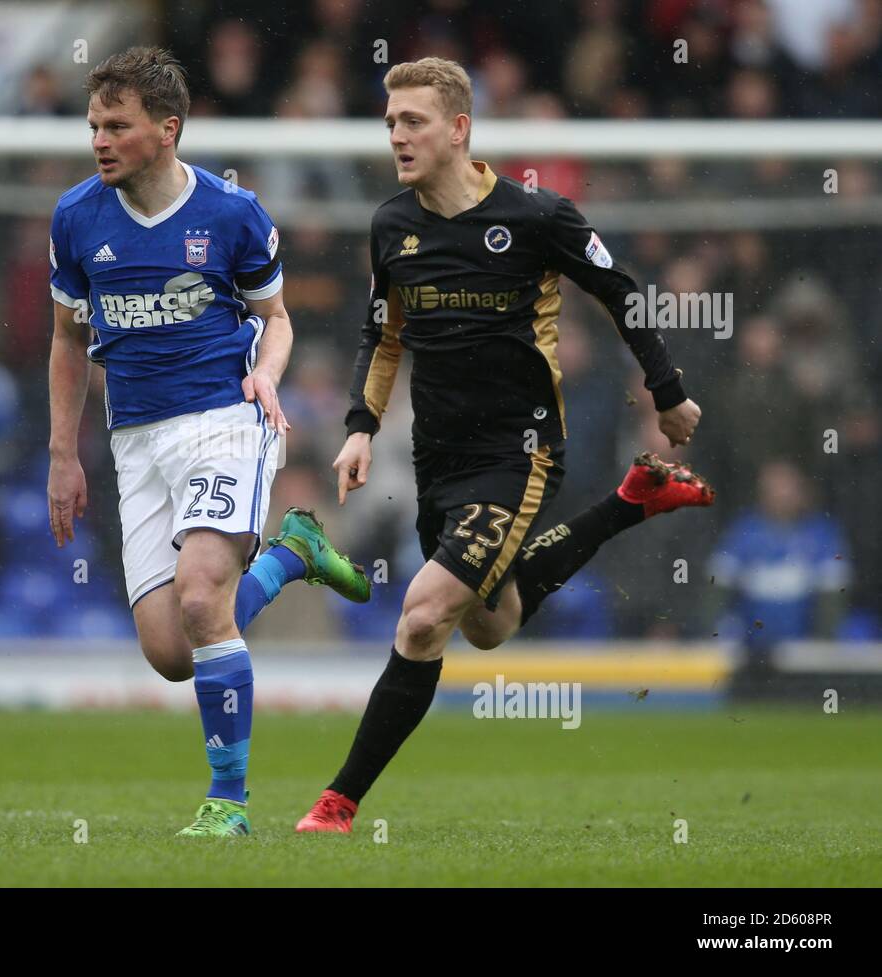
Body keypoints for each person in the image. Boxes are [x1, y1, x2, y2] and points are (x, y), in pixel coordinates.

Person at [296, 58, 714, 833]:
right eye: (390, 122)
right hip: (438, 458)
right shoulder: (393, 224)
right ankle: (629, 502)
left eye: (412, 121)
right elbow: (382, 337)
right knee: (489, 624)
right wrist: (361, 425)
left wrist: (668, 391)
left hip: (520, 453)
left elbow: (621, 289)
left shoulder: (536, 216)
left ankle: (337, 801)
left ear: (459, 130)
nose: (397, 135)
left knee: (422, 618)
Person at [45, 47, 369, 837]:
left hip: (225, 419)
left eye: (117, 125)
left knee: (199, 598)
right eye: (94, 125)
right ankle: (291, 556)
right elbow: (65, 338)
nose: (100, 139)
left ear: (167, 128)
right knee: (170, 649)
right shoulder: (76, 218)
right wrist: (62, 452)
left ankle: (228, 803)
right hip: (136, 439)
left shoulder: (231, 213)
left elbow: (278, 318)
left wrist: (268, 374)